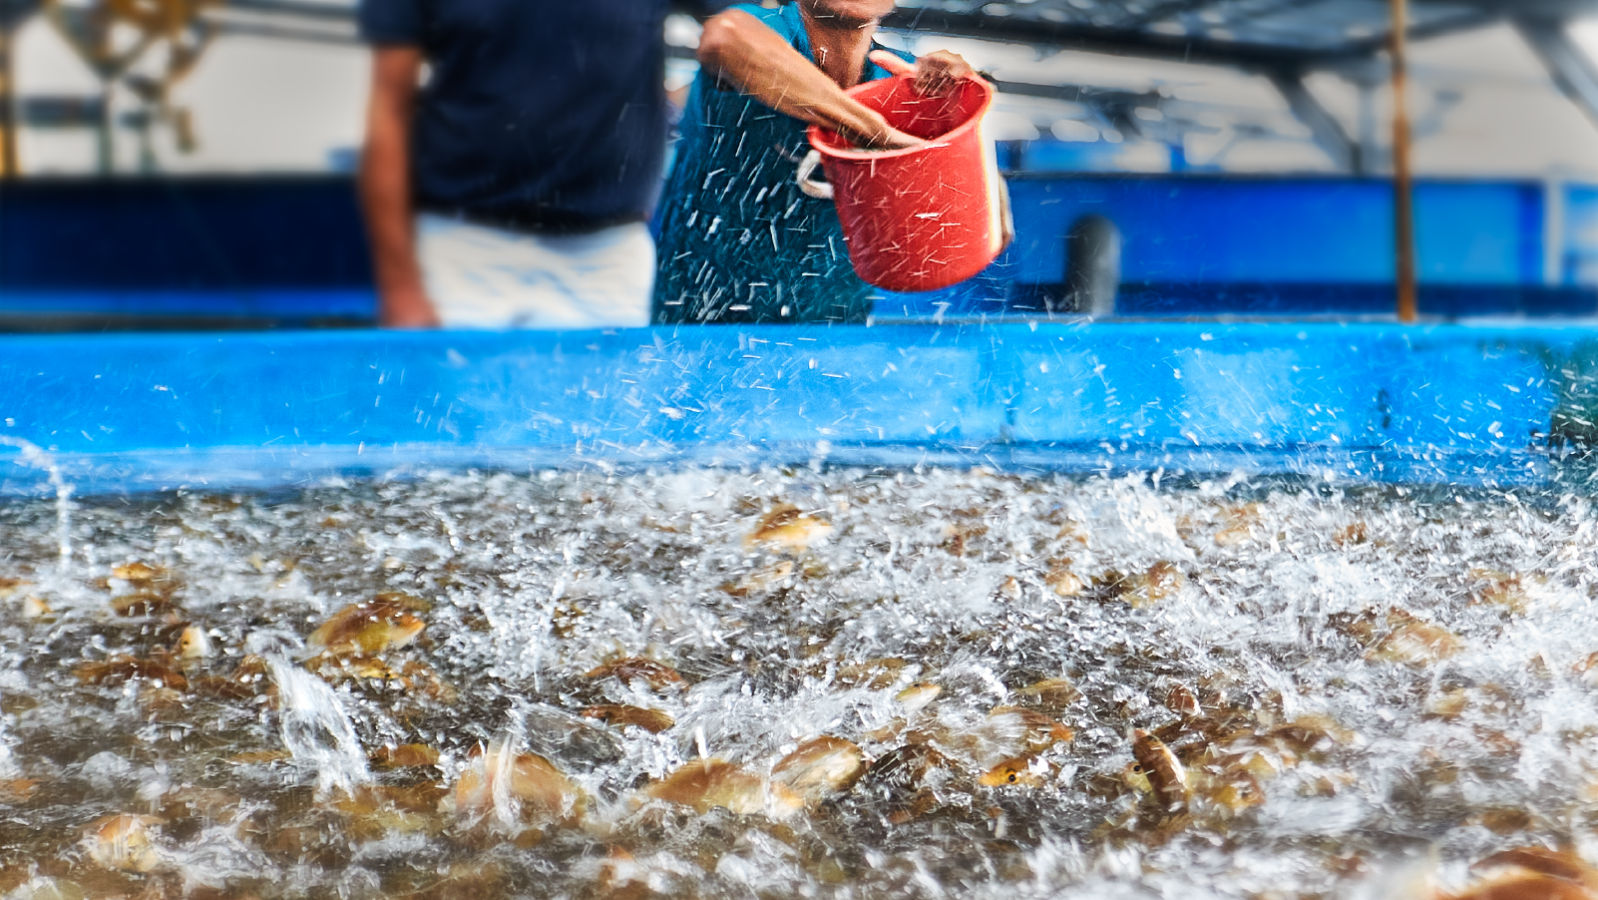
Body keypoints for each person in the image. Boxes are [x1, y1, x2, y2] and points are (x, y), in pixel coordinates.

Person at [357, 0, 728, 329]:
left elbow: (745, 23)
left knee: (608, 408)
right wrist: (400, 287)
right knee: (453, 406)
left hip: (607, 258)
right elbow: (389, 111)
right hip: (461, 251)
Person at [651, 0, 974, 326]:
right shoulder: (764, 30)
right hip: (697, 340)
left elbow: (971, 228)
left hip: (833, 343)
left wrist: (961, 110)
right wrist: (873, 132)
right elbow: (725, 36)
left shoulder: (900, 81)